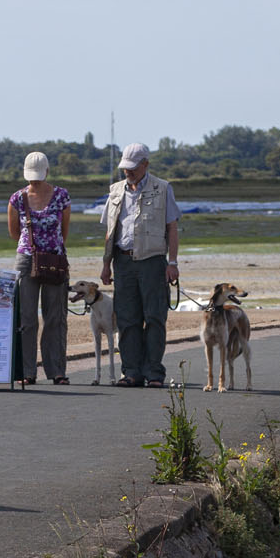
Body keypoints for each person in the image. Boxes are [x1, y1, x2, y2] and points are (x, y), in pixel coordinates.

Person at [98, 143, 180, 388]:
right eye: (125, 168)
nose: (128, 173)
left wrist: (172, 262)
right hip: (123, 261)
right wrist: (106, 264)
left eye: (133, 168)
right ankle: (131, 372)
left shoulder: (163, 188)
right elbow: (110, 231)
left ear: (146, 164)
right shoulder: (115, 191)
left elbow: (172, 228)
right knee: (126, 318)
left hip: (153, 261)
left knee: (154, 317)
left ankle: (154, 372)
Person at [7, 152, 71, 386]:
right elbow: (14, 233)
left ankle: (57, 371)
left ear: (47, 172)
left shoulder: (62, 196)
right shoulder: (17, 198)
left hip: (55, 259)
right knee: (26, 318)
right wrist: (34, 247)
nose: (34, 181)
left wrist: (51, 249)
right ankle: (27, 371)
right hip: (26, 260)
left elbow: (64, 230)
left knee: (56, 317)